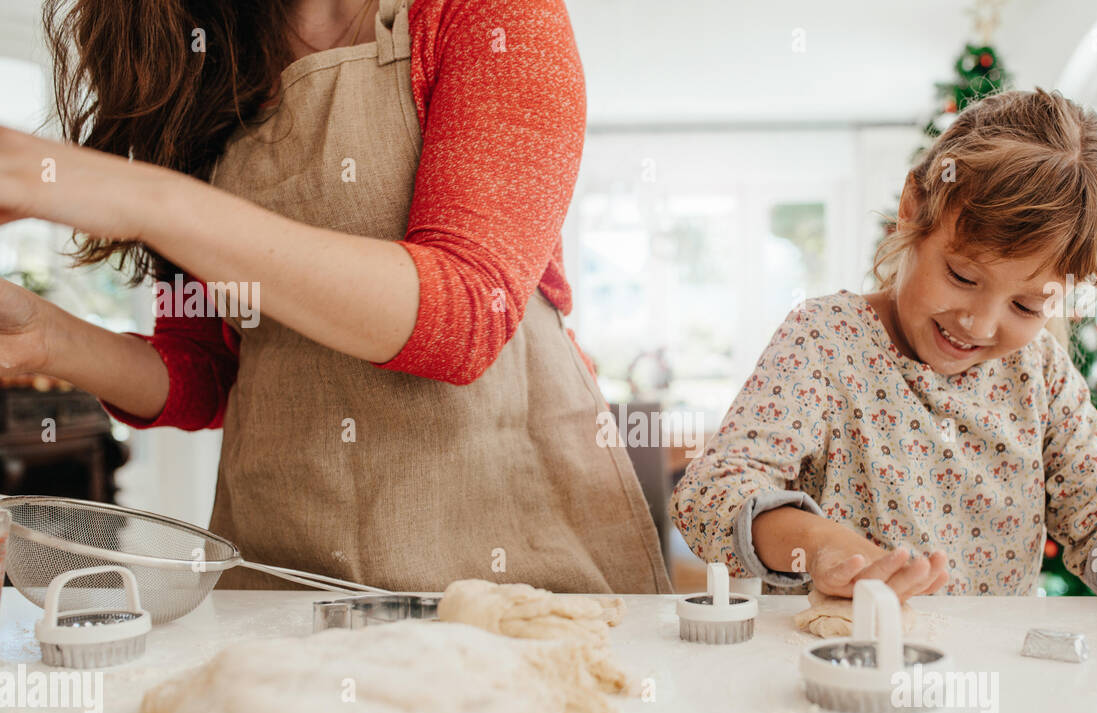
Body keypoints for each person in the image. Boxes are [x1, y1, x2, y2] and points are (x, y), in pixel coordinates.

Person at [0, 0, 670, 594]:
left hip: (516, 564)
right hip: (286, 567)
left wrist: (146, 199)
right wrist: (51, 338)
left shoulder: (489, 14)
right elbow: (204, 373)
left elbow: (463, 315)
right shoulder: (197, 73)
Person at [672, 88, 1097, 624]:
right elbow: (711, 492)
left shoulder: (1042, 375)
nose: (979, 323)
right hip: (837, 663)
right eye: (963, 276)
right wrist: (823, 547)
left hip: (993, 677)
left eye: (1026, 308)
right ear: (913, 211)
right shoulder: (827, 339)